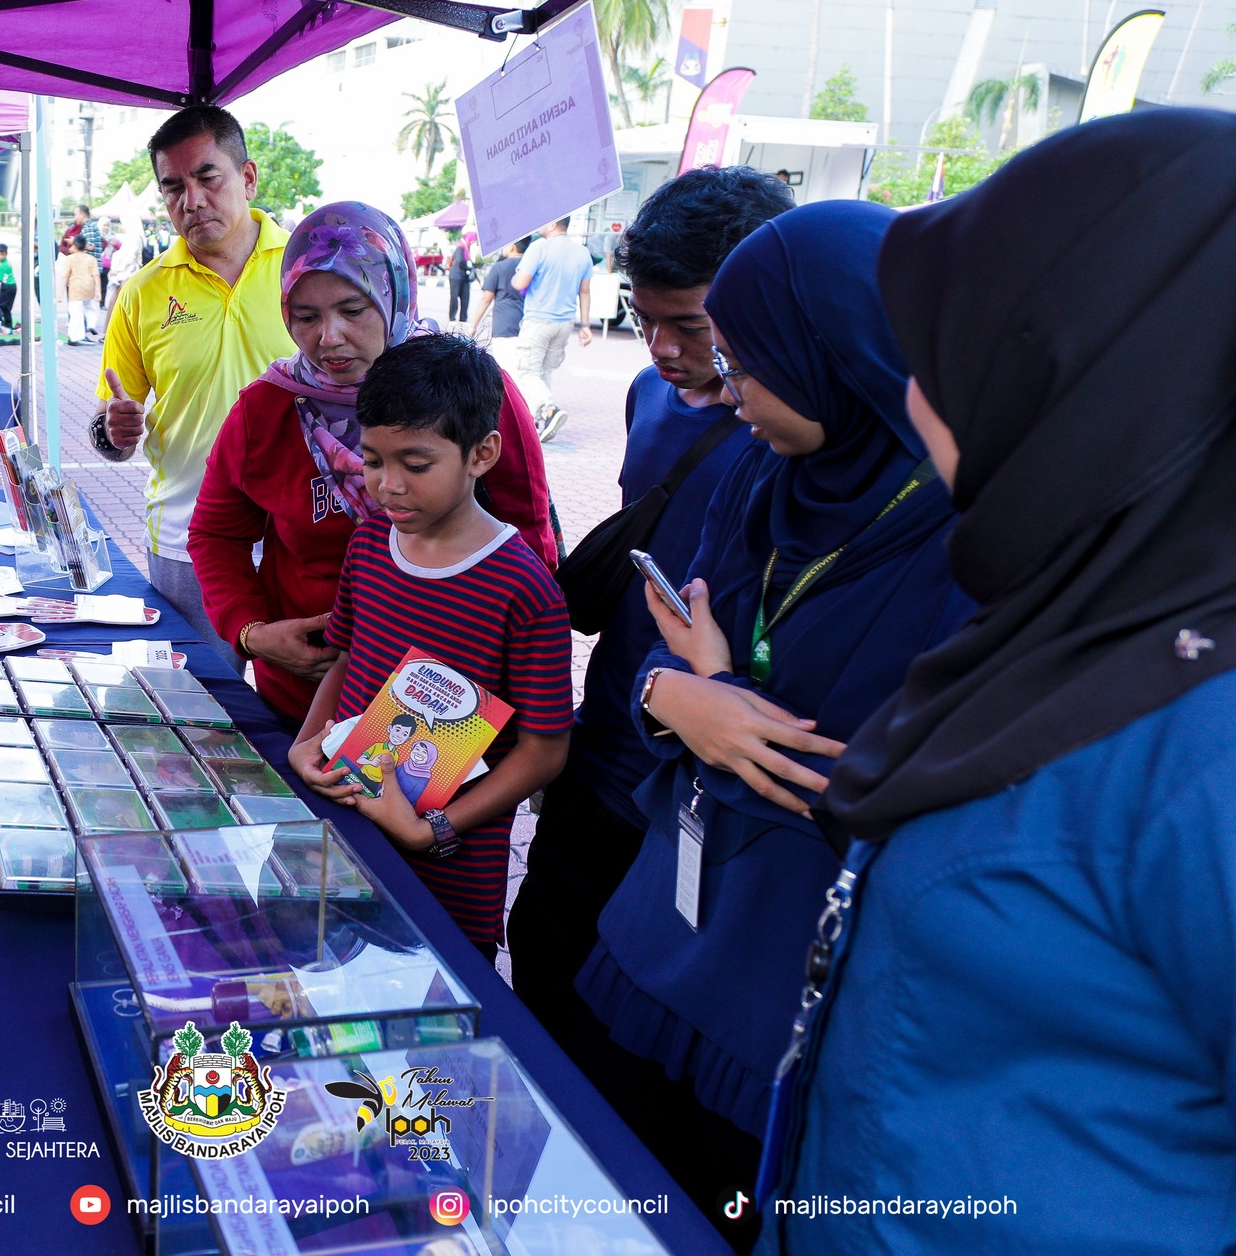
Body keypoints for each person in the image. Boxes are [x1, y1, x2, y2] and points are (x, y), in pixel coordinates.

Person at [760, 110, 1236, 1254]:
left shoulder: (1206, 748)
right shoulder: (1082, 608)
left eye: (949, 340)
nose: (913, 382)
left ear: (1093, 367)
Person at [574, 201, 971, 1247]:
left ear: (832, 349)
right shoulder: (759, 472)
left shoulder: (968, 530)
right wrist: (677, 698)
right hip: (664, 920)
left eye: (743, 364)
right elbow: (664, 651)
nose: (720, 389)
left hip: (788, 971)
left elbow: (929, 779)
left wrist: (725, 714)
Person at [507, 166, 790, 1092]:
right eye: (644, 316)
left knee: (630, 1032)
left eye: (693, 327)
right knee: (541, 952)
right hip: (603, 747)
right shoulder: (648, 395)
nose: (663, 348)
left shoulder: (789, 435)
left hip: (697, 788)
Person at [189, 200, 558, 725]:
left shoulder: (467, 388)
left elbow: (528, 538)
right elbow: (215, 533)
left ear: (393, 296)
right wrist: (251, 632)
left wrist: (501, 698)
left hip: (443, 713)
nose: (329, 337)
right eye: (306, 316)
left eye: (353, 309)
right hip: (301, 702)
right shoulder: (266, 408)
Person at [286, 336, 572, 956]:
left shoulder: (524, 587)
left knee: (434, 999)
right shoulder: (368, 544)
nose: (388, 486)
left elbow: (545, 750)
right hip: (348, 824)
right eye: (371, 460)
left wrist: (430, 828)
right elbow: (345, 657)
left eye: (415, 465)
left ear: (482, 454)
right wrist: (306, 745)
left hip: (451, 862)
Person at [93, 104, 296, 661]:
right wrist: (115, 431)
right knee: (204, 717)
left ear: (247, 177)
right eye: (173, 187)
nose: (192, 200)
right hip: (189, 542)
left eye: (208, 177)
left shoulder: (307, 270)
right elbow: (108, 427)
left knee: (307, 719)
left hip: (302, 537)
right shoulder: (142, 292)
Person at [510, 215, 595, 440]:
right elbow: (584, 292)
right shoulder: (582, 253)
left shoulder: (539, 249)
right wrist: (585, 325)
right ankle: (542, 422)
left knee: (528, 371)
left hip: (539, 320)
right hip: (565, 322)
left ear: (553, 224)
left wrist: (517, 275)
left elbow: (520, 283)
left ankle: (548, 410)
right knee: (545, 371)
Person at [466, 237, 527, 349]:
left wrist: (473, 325)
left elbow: (486, 299)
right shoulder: (531, 267)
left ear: (512, 246)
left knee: (504, 364)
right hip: (529, 326)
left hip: (504, 326)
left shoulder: (499, 267)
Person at [58, 241, 102, 342]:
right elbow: (96, 274)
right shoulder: (91, 259)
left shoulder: (69, 259)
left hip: (75, 288)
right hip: (89, 287)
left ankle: (75, 337)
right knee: (92, 308)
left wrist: (60, 294)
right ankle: (91, 324)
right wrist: (98, 291)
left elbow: (65, 276)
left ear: (75, 246)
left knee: (75, 313)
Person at [446, 235, 473, 323]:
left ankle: (463, 318)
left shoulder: (467, 249)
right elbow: (461, 261)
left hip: (464, 276)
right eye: (472, 241)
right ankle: (452, 318)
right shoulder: (461, 247)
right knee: (454, 297)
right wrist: (469, 269)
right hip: (456, 275)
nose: (473, 243)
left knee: (465, 297)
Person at [0, 242, 17, 329]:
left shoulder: (3, 265)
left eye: (3, 254)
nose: (0, 256)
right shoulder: (4, 262)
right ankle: (8, 325)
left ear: (6, 254)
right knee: (6, 307)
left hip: (7, 287)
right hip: (12, 286)